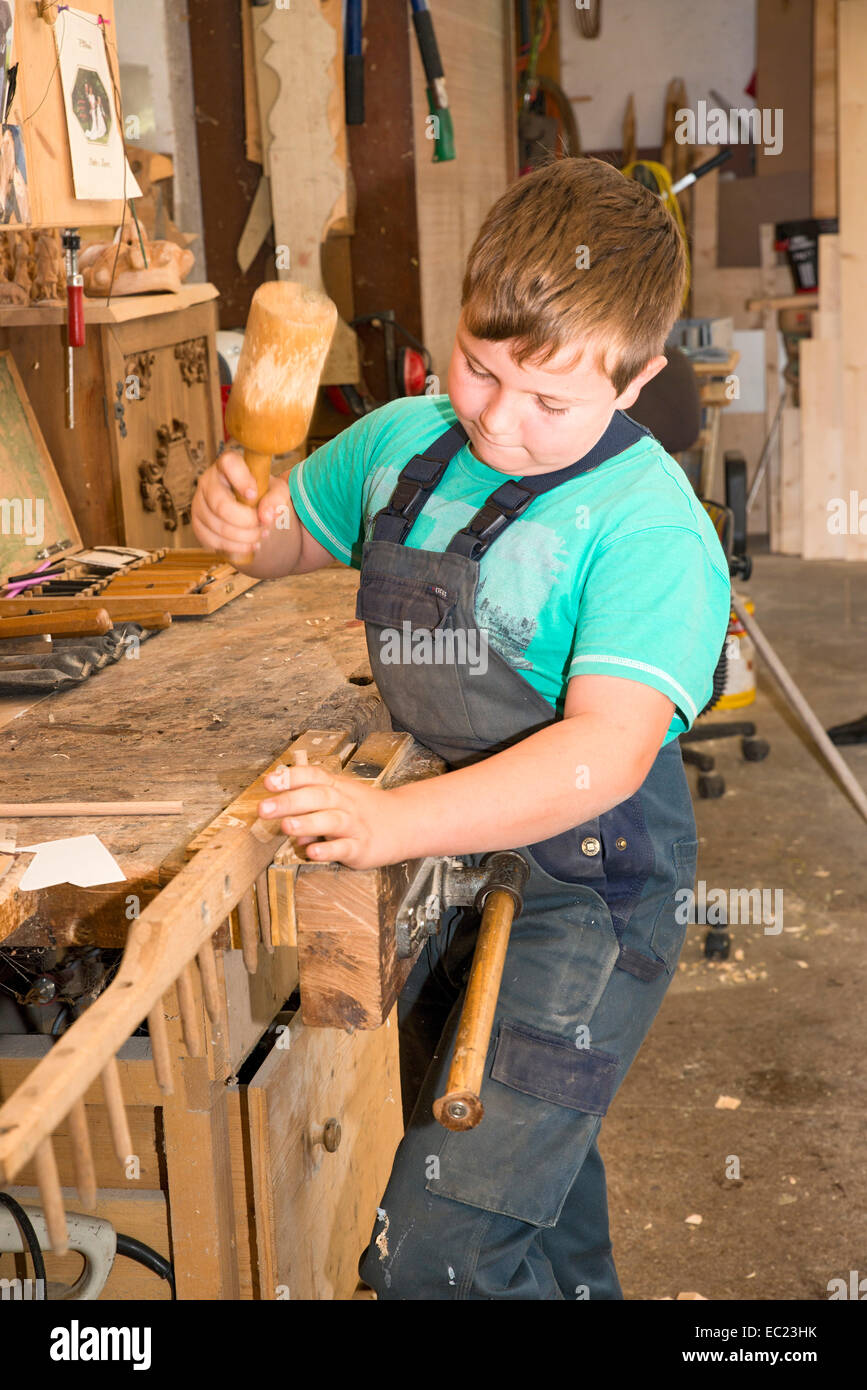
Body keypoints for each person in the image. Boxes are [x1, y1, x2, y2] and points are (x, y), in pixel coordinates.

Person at [192, 155, 731, 1300]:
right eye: (480, 370)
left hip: (589, 891)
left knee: (438, 1254)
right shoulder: (404, 441)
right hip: (448, 868)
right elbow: (292, 536)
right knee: (530, 1195)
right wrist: (241, 519)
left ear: (635, 383)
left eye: (551, 402)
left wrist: (389, 821)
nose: (499, 419)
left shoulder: (649, 530)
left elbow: (604, 752)